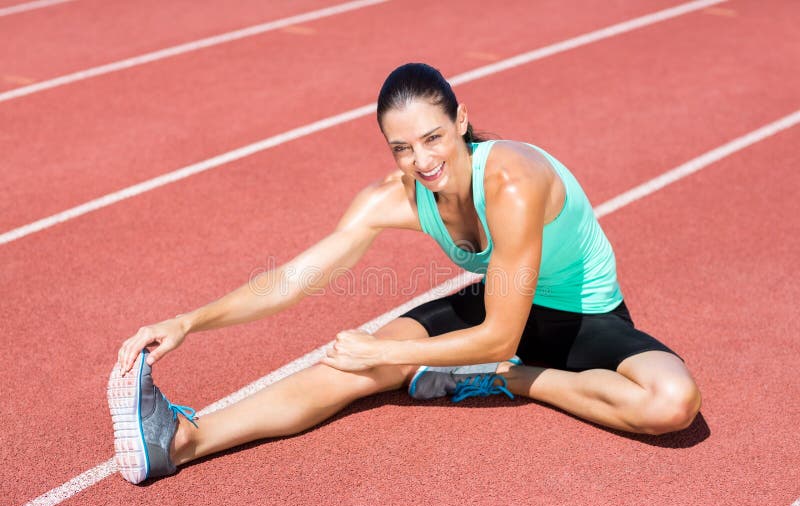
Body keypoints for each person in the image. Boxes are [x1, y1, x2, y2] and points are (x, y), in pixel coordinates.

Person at [109, 63, 702, 484]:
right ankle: (185, 441)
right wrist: (190, 321)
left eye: (432, 138)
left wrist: (388, 357)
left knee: (672, 404)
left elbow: (500, 335)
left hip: (583, 320)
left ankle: (505, 381)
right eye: (401, 149)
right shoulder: (394, 197)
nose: (422, 162)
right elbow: (294, 279)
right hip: (494, 306)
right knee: (347, 368)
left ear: (461, 120)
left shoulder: (513, 182)